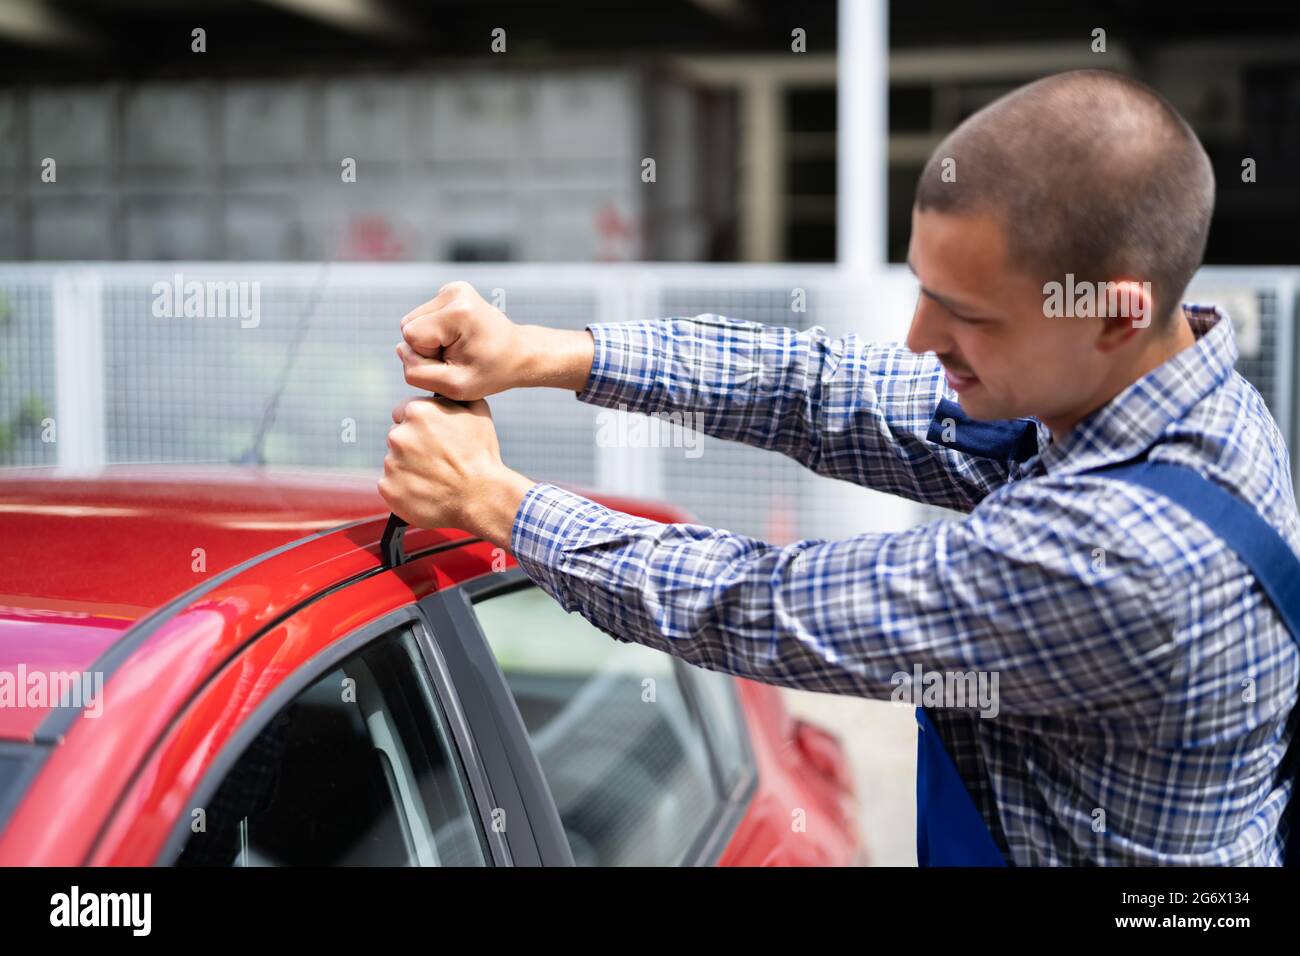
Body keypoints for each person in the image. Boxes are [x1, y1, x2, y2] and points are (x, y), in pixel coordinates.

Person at [378, 69, 1300, 865]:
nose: (919, 337)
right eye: (923, 293)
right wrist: (537, 353)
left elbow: (758, 606)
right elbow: (816, 390)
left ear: (1112, 314)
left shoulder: (1124, 562)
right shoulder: (1164, 396)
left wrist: (495, 502)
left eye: (968, 315)